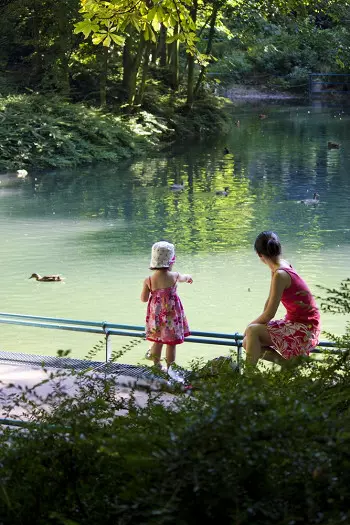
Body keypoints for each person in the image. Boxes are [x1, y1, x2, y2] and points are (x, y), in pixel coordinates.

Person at [243, 231, 321, 367]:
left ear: (259, 255)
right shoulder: (279, 266)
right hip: (297, 321)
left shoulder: (280, 274)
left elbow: (270, 314)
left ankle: (247, 380)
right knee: (247, 341)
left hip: (306, 327)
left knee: (251, 332)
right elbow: (269, 302)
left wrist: (250, 327)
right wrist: (258, 325)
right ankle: (287, 366)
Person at [141, 241, 193, 369]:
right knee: (171, 344)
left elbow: (143, 299)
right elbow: (184, 277)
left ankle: (156, 365)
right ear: (171, 261)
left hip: (156, 317)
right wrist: (189, 277)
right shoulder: (174, 276)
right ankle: (170, 367)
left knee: (157, 342)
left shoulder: (148, 280)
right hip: (171, 316)